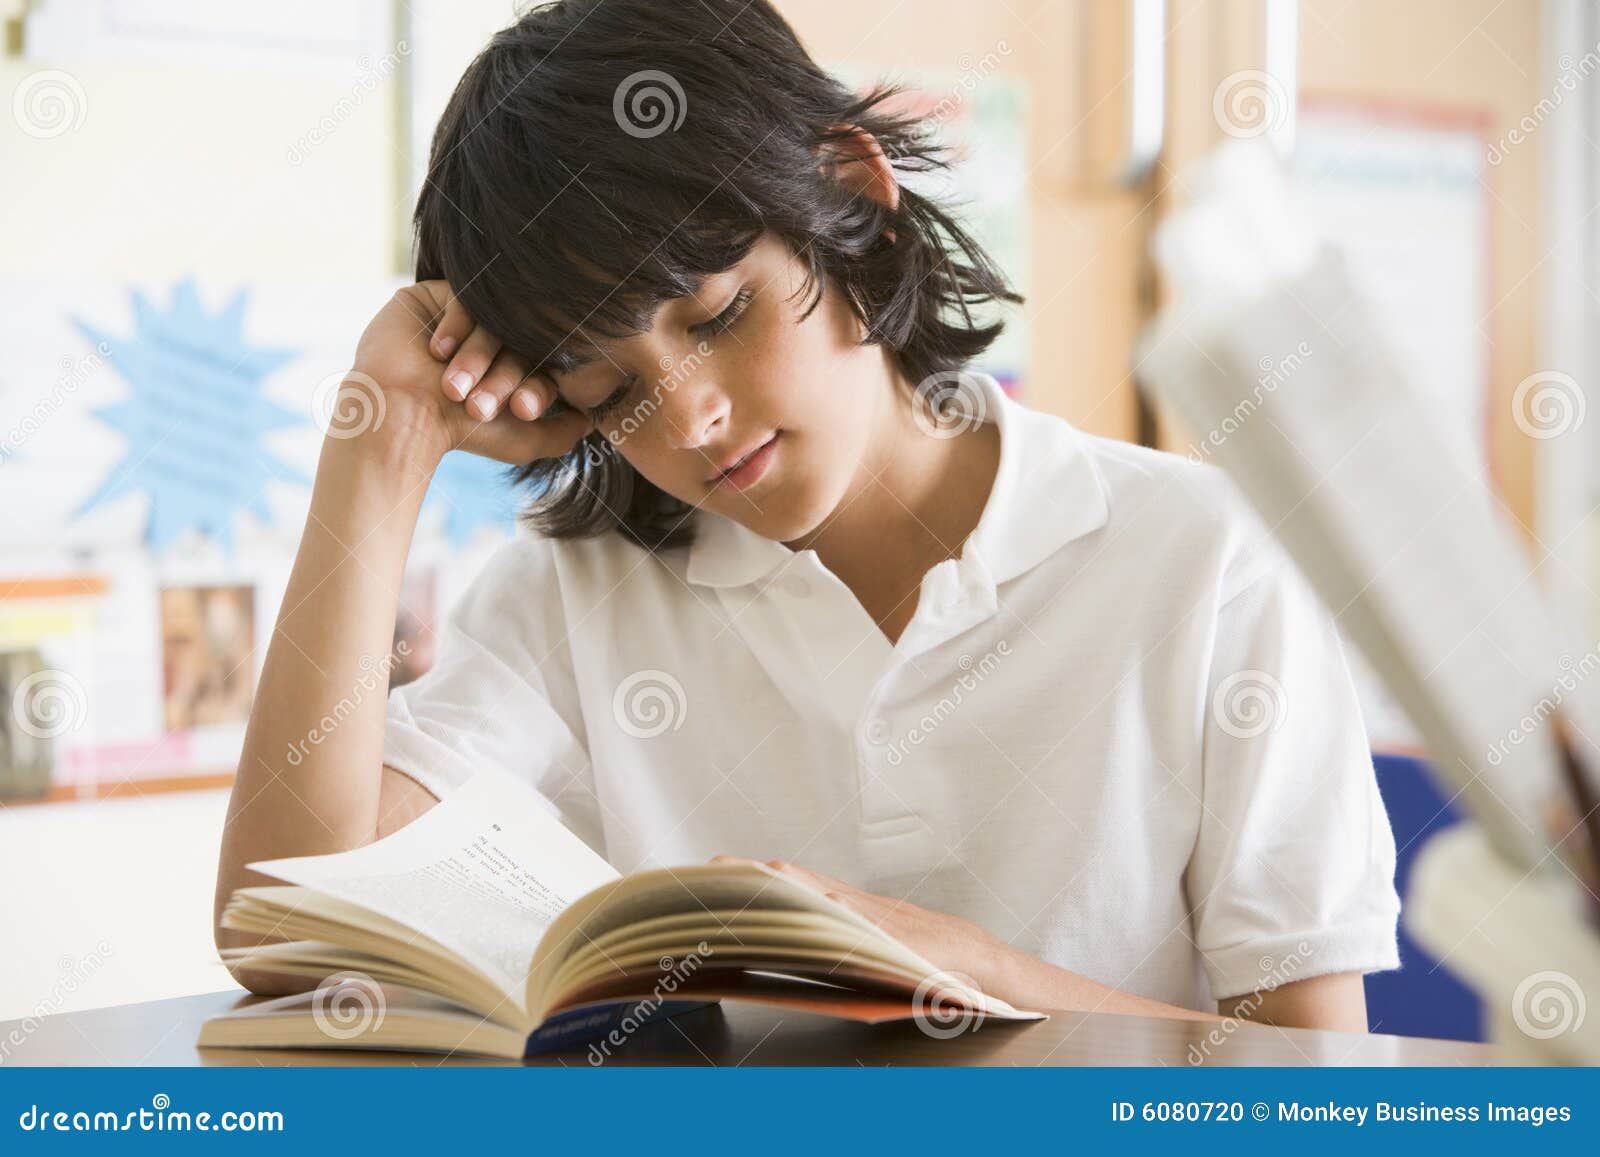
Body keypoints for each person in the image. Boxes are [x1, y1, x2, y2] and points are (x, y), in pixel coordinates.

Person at [216, 0, 1399, 1029]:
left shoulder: (1206, 557)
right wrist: (380, 446)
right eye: (608, 387)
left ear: (851, 194)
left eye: (719, 317)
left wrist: (989, 975)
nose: (689, 423)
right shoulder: (573, 592)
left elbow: (1320, 1081)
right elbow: (285, 930)